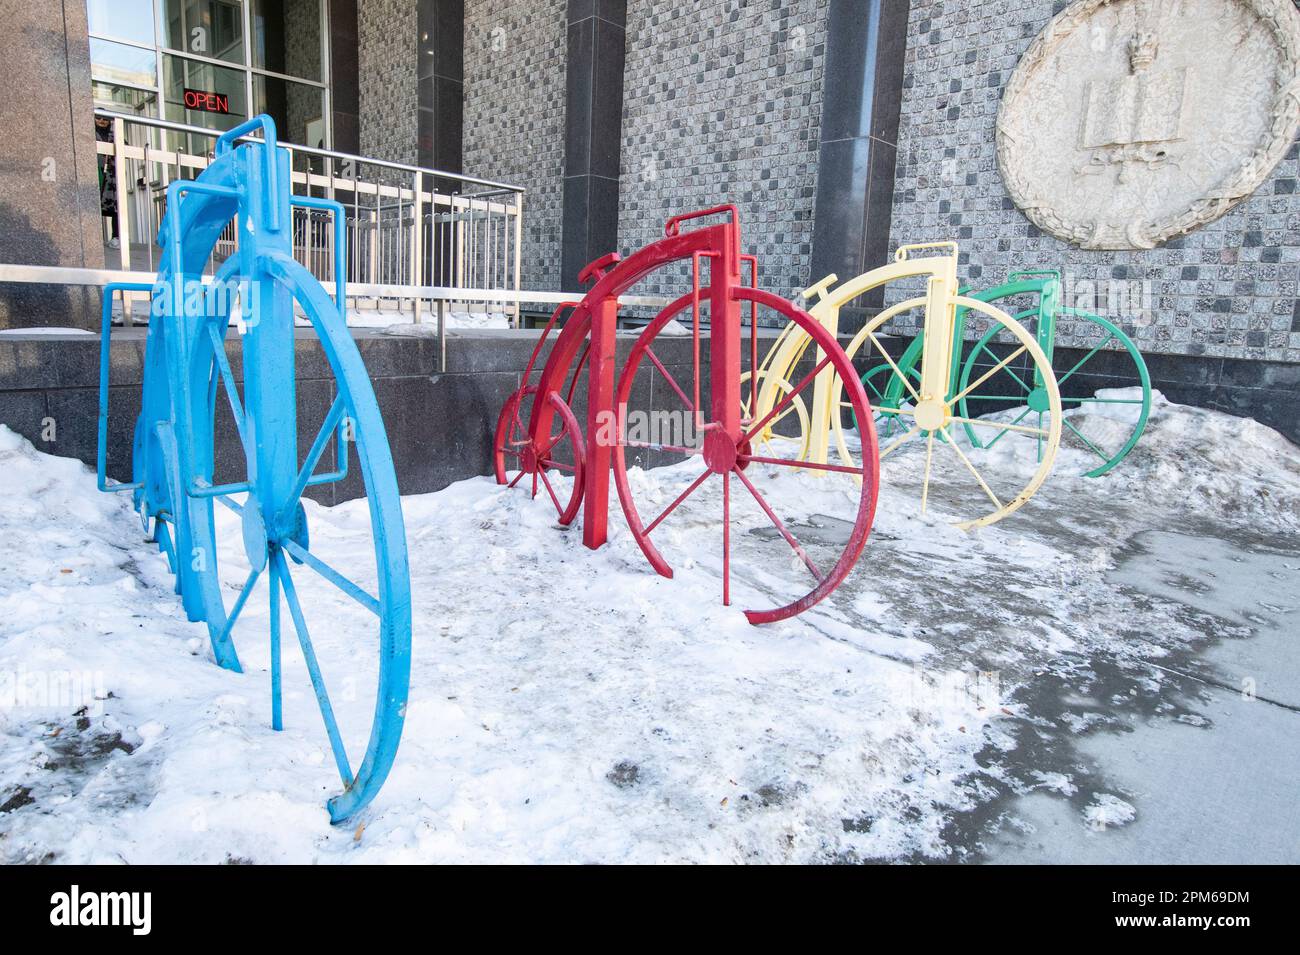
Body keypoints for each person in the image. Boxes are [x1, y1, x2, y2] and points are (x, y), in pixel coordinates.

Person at [95, 115, 120, 250]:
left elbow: (125, 148)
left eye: (104, 119)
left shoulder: (116, 135)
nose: (101, 121)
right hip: (96, 174)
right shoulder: (89, 133)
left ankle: (116, 237)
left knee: (116, 206)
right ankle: (94, 237)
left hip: (112, 177)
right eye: (98, 118)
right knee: (93, 205)